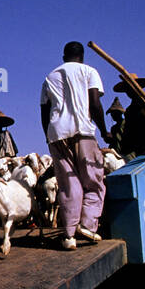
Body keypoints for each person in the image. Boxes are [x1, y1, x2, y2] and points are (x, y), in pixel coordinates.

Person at [40, 41, 107, 249]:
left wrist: (48, 137)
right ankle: (87, 225)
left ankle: (69, 235)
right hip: (83, 132)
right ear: (83, 56)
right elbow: (95, 104)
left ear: (63, 57)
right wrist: (105, 131)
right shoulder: (89, 72)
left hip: (57, 134)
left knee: (69, 185)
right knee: (93, 181)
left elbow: (44, 112)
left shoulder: (49, 78)